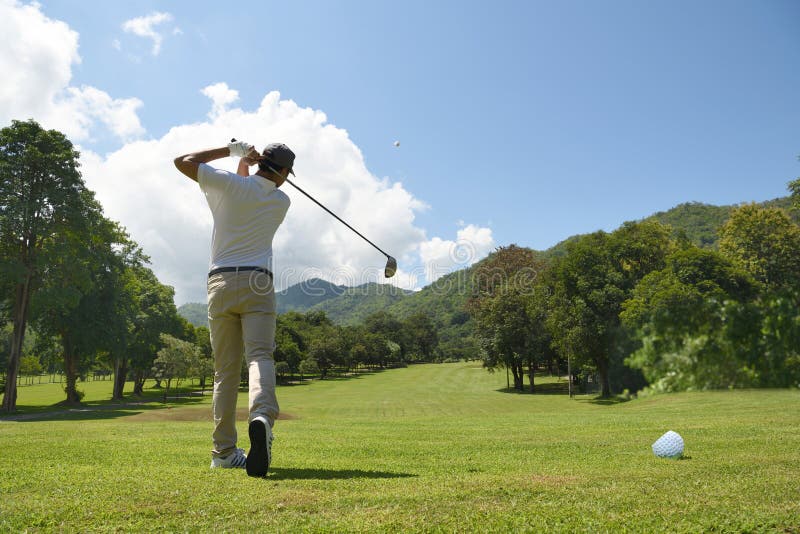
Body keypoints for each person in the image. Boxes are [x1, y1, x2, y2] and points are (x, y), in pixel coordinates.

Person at [173, 139, 295, 477]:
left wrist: (233, 152)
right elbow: (250, 187)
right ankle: (262, 416)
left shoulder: (228, 185)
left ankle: (223, 452)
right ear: (283, 172)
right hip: (257, 282)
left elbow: (183, 160)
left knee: (224, 372)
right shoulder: (280, 201)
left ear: (259, 163)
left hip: (221, 282)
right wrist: (244, 163)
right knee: (259, 356)